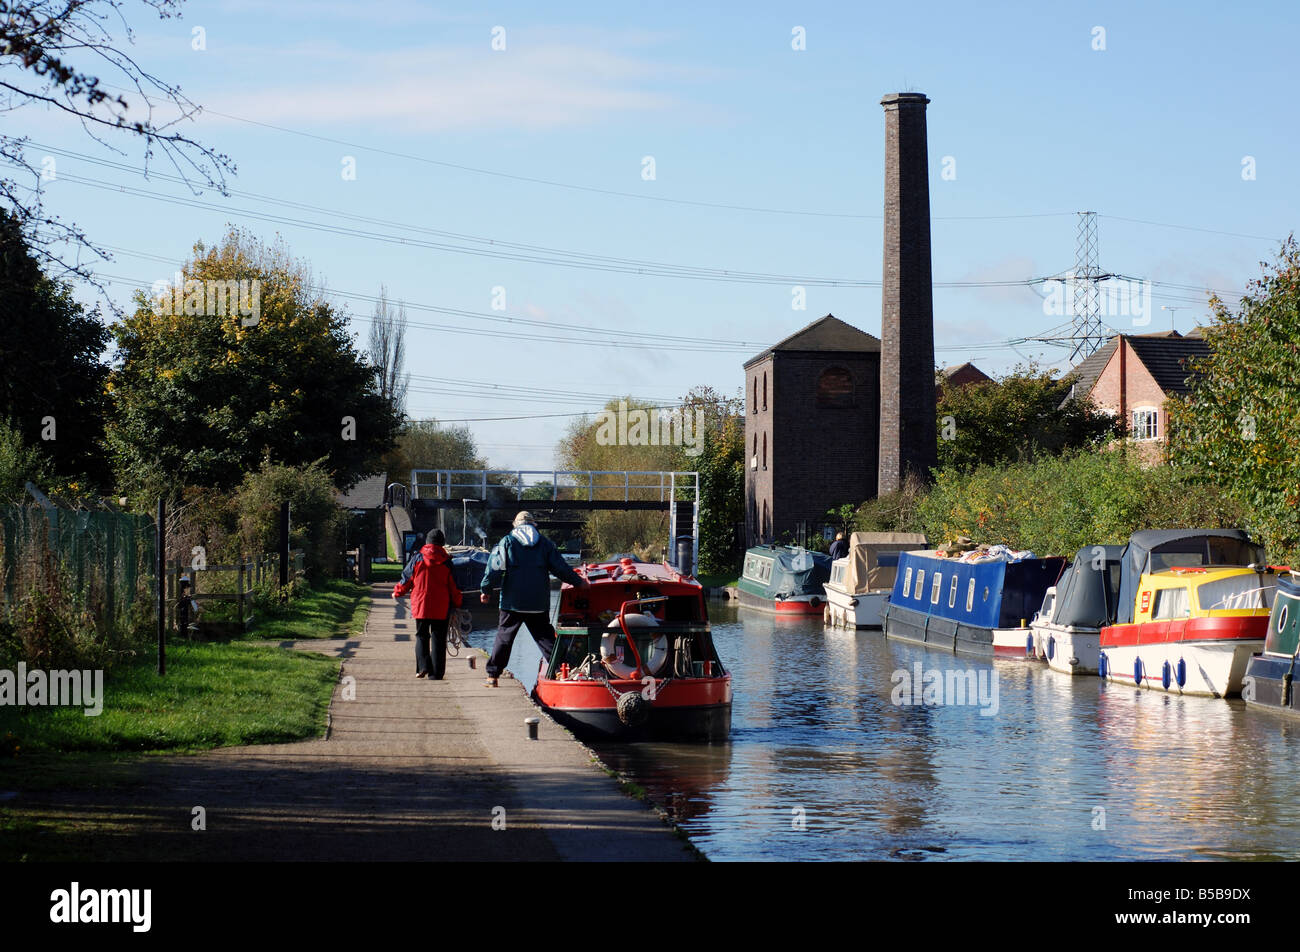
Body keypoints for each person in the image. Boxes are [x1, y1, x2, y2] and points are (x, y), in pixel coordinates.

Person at [479, 511, 587, 688]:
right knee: (544, 637)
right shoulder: (545, 544)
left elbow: (494, 568)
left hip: (511, 602)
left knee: (504, 638)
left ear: (516, 524)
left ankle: (493, 675)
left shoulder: (507, 542)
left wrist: (486, 589)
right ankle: (562, 669)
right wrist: (579, 582)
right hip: (538, 602)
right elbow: (561, 568)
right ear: (533, 525)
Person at [393, 529, 462, 680]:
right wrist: (457, 604)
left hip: (421, 604)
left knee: (421, 636)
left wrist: (397, 592)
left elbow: (407, 578)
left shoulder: (417, 558)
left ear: (427, 542)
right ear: (442, 543)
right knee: (438, 638)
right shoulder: (447, 562)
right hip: (441, 606)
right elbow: (454, 587)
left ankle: (423, 667)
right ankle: (436, 673)